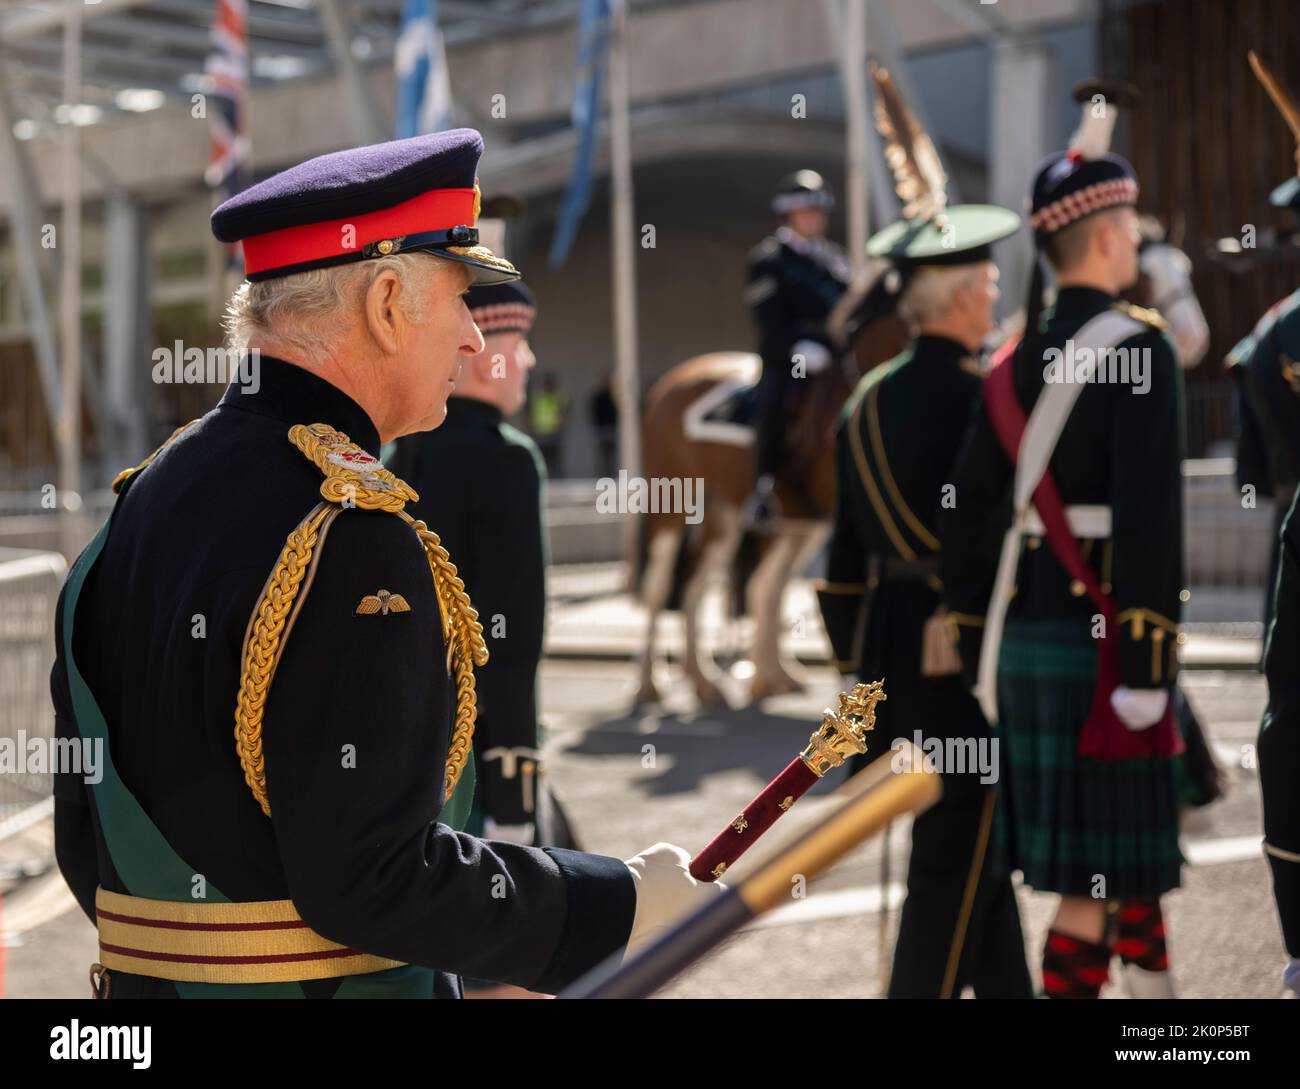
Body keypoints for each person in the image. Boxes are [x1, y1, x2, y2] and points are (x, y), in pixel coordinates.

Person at [51, 128, 718, 999]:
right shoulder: (347, 528)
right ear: (389, 299)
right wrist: (611, 904)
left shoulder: (145, 493)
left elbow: (83, 842)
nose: (477, 339)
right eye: (461, 299)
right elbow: (373, 876)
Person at [942, 98, 1186, 1000]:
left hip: (1029, 643)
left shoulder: (1008, 361)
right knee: (1101, 879)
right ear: (1111, 238)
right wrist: (1148, 665)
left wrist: (971, 637)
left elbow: (967, 515)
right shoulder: (1142, 350)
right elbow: (1154, 522)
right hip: (1112, 649)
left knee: (1124, 868)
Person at [817, 202, 1031, 999]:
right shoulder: (987, 397)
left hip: (892, 654)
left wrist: (859, 683)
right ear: (967, 296)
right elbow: (988, 538)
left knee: (976, 848)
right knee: (955, 854)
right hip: (967, 650)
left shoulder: (863, 399)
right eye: (992, 283)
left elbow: (841, 568)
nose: (998, 297)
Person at [745, 169, 851, 526]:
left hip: (834, 359)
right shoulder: (768, 259)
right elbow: (768, 318)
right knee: (774, 403)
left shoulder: (835, 260)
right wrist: (798, 347)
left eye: (820, 211)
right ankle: (764, 488)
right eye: (809, 211)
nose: (816, 218)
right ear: (790, 214)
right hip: (790, 357)